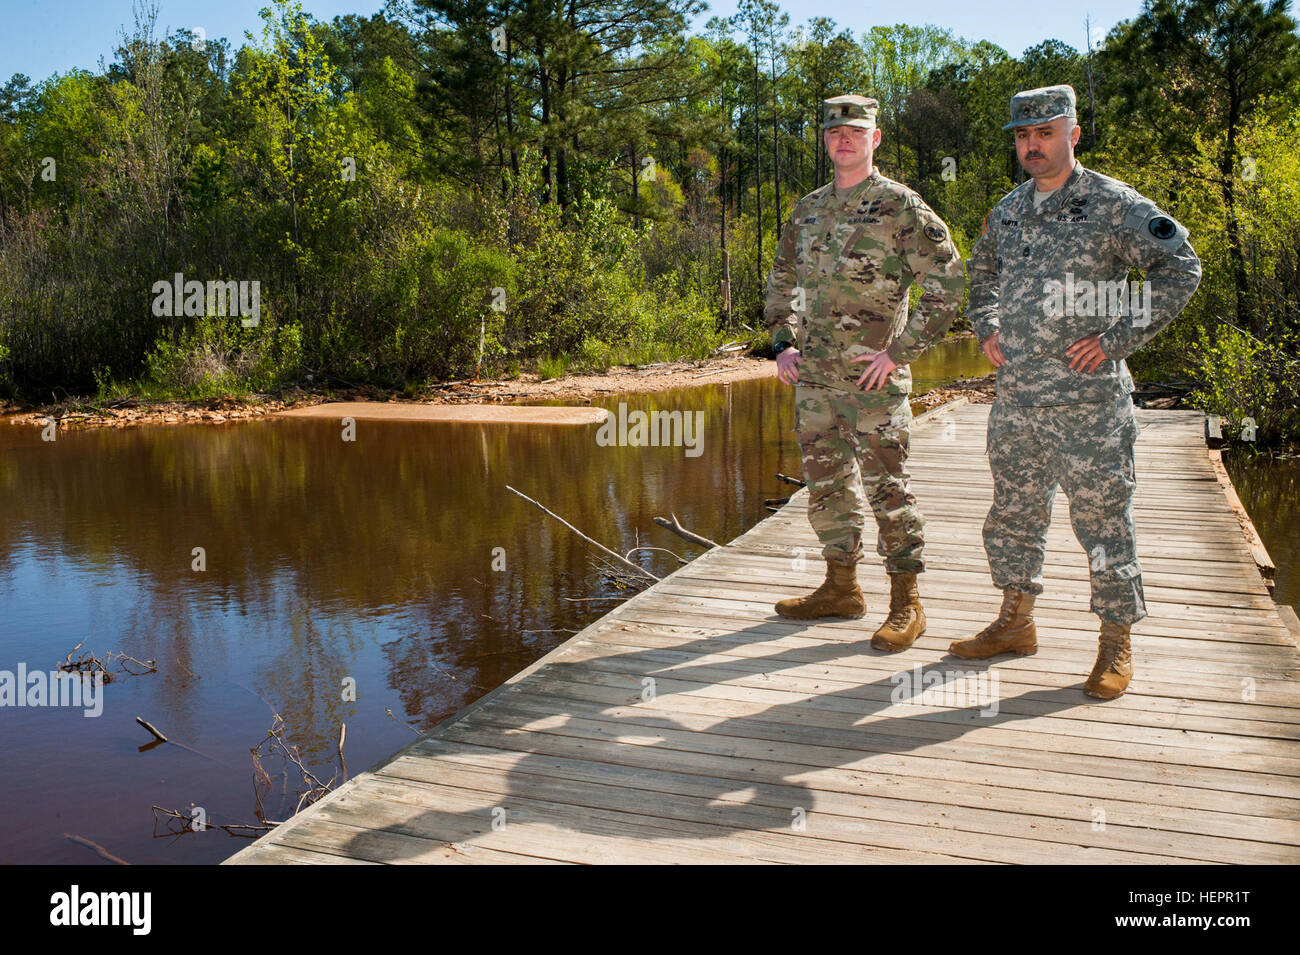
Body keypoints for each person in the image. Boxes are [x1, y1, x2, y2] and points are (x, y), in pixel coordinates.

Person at [953, 84, 1202, 699]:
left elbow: (1181, 267)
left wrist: (1117, 339)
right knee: (1012, 515)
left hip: (1089, 404)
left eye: (1044, 132)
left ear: (1073, 133)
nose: (1031, 146)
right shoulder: (1009, 210)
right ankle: (1016, 622)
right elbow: (980, 273)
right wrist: (986, 325)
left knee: (1102, 522)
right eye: (1022, 135)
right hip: (1017, 401)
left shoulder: (1113, 204)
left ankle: (1115, 641)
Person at [764, 94, 965, 652]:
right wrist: (782, 343)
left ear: (875, 139)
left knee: (888, 488)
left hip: (872, 382)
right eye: (835, 132)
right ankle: (841, 587)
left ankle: (907, 603)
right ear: (825, 140)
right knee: (826, 488)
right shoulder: (806, 210)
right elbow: (783, 280)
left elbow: (948, 282)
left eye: (856, 131)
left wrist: (899, 352)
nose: (844, 139)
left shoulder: (900, 207)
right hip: (814, 382)